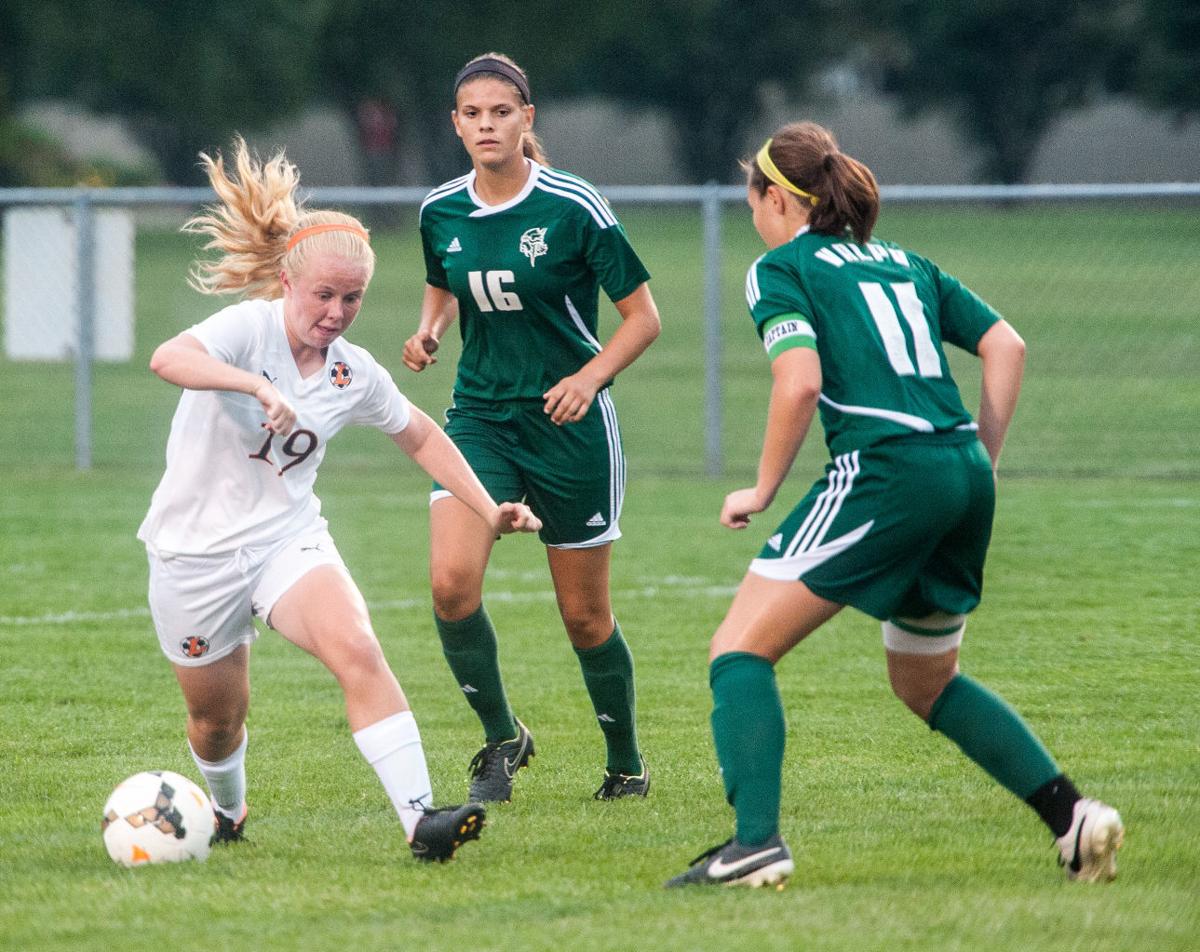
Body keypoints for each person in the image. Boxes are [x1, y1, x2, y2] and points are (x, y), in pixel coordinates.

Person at [666, 122, 1124, 887]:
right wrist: (979, 458)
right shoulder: (906, 261)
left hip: (885, 468)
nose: (752, 212)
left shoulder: (781, 267)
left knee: (739, 651)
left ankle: (754, 846)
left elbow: (800, 382)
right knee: (925, 680)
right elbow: (1006, 345)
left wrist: (763, 488)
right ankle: (1072, 818)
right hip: (960, 468)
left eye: (754, 196)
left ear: (775, 197)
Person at [138, 137, 541, 862]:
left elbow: (421, 437)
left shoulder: (352, 372)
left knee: (358, 648)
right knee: (216, 723)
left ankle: (422, 823)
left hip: (284, 542)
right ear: (288, 285)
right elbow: (169, 358)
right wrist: (256, 386)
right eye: (324, 294)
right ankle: (227, 812)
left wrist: (489, 508)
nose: (336, 311)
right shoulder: (245, 329)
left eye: (351, 297)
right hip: (191, 552)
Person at [402, 53, 662, 803]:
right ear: (456, 124)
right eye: (473, 114)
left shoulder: (575, 206)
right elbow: (443, 280)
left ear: (527, 119)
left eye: (502, 112)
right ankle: (501, 739)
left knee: (584, 616)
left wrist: (588, 377)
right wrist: (428, 331)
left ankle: (625, 763)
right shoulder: (440, 209)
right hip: (479, 418)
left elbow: (643, 319)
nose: (487, 125)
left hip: (566, 429)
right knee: (451, 587)